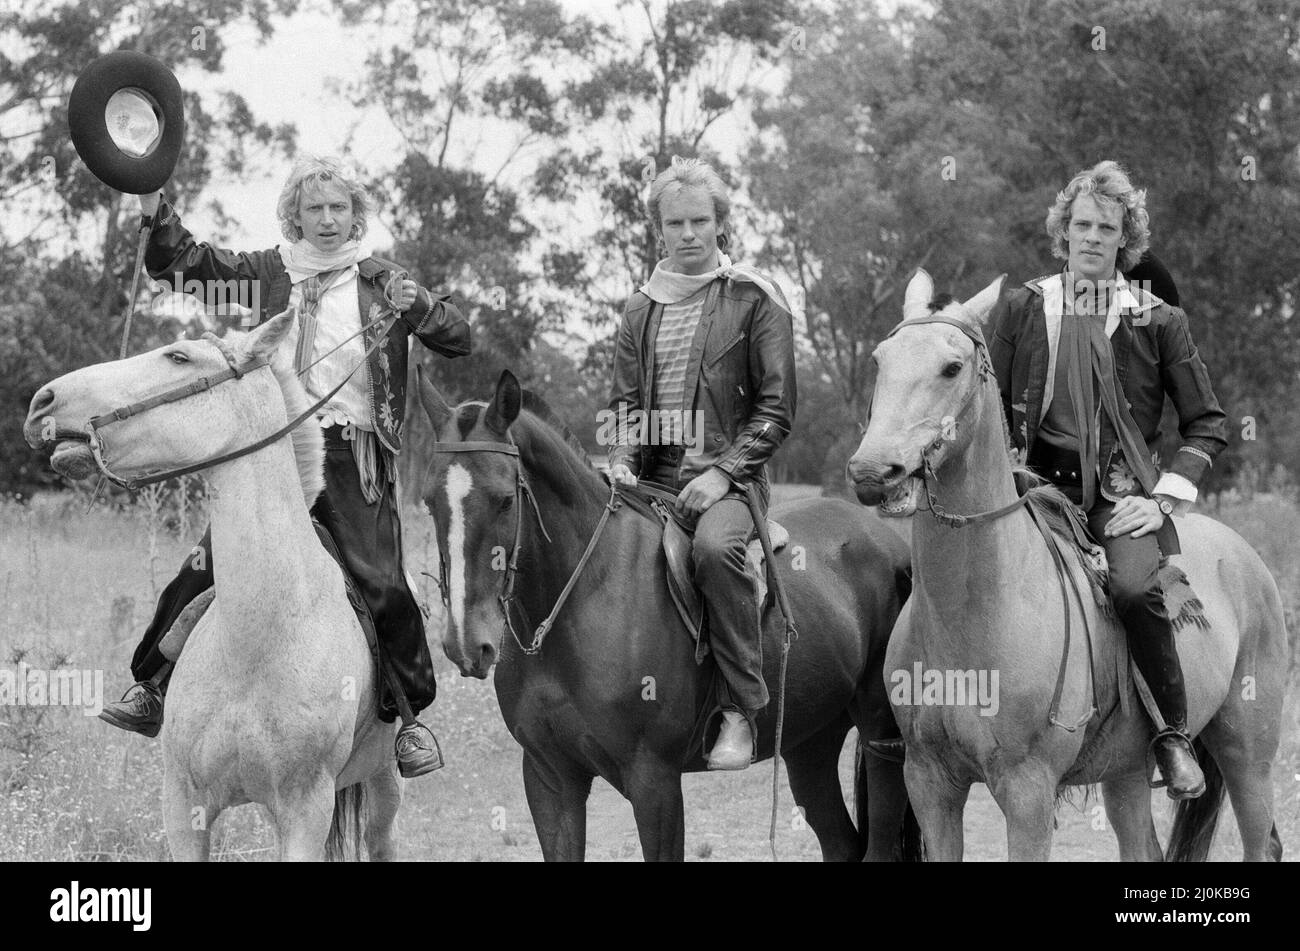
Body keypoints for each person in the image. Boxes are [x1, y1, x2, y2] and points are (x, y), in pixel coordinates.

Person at [97, 155, 471, 778]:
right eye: (313, 208)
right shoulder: (265, 274)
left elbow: (458, 337)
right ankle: (154, 685)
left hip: (355, 459)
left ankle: (407, 718)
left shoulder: (385, 282)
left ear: (356, 214)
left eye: (339, 208)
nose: (327, 220)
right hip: (275, 452)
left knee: (379, 581)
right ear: (293, 215)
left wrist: (422, 305)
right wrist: (150, 200)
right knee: (207, 562)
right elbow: (183, 265)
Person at [989, 160, 1228, 799]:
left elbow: (1207, 424)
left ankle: (1171, 736)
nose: (1092, 237)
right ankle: (917, 720)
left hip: (1123, 499)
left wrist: (1161, 503)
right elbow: (985, 407)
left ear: (1125, 239)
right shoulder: (1020, 309)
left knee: (1129, 589)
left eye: (1107, 227)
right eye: (1082, 224)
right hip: (1030, 492)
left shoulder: (1159, 320)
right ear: (1063, 232)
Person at [606, 157, 796, 770]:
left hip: (731, 484)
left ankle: (741, 708)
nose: (688, 233)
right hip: (652, 486)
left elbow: (776, 409)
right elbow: (626, 406)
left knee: (715, 552)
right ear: (657, 230)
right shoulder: (639, 309)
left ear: (720, 224)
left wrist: (723, 475)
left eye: (699, 221)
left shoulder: (754, 298)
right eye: (674, 223)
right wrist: (619, 458)